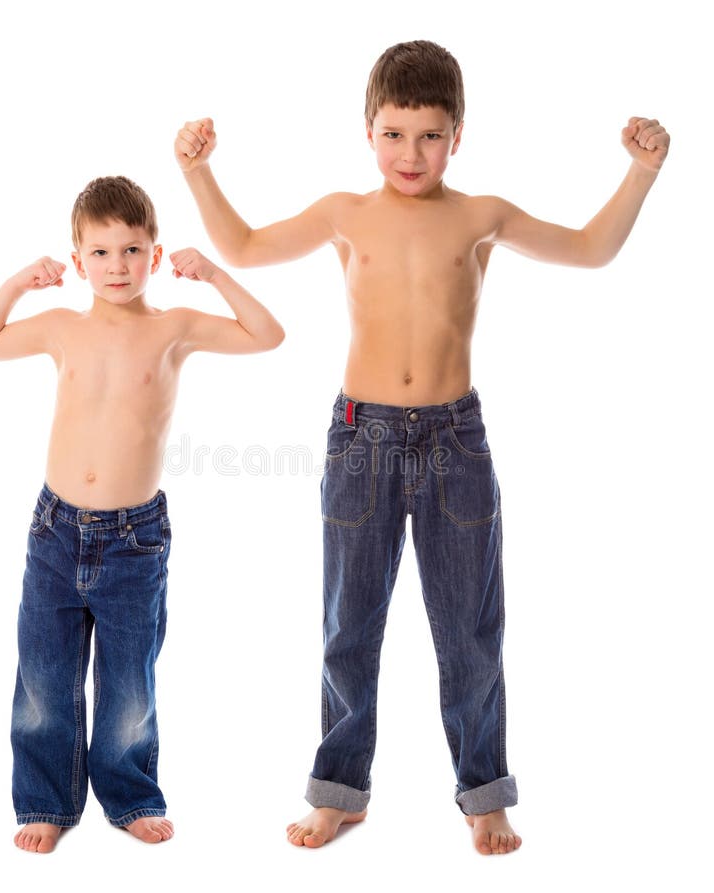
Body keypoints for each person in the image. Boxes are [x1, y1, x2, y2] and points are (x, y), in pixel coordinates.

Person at [174, 40, 669, 856]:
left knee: (470, 628)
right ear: (368, 130)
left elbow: (590, 247)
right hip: (361, 436)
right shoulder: (346, 212)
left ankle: (485, 794)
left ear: (458, 135)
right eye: (396, 134)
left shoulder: (480, 217)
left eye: (431, 135)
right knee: (348, 623)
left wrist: (641, 173)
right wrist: (198, 172)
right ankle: (339, 788)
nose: (412, 154)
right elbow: (249, 246)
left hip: (454, 439)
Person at [0, 175, 284, 854]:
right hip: (55, 530)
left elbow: (268, 334)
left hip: (133, 539)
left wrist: (216, 273)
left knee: (128, 679)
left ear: (155, 255)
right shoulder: (61, 327)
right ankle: (46, 800)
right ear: (77, 261)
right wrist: (19, 282)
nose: (116, 266)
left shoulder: (173, 328)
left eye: (131, 250)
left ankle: (131, 794)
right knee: (45, 675)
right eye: (100, 253)